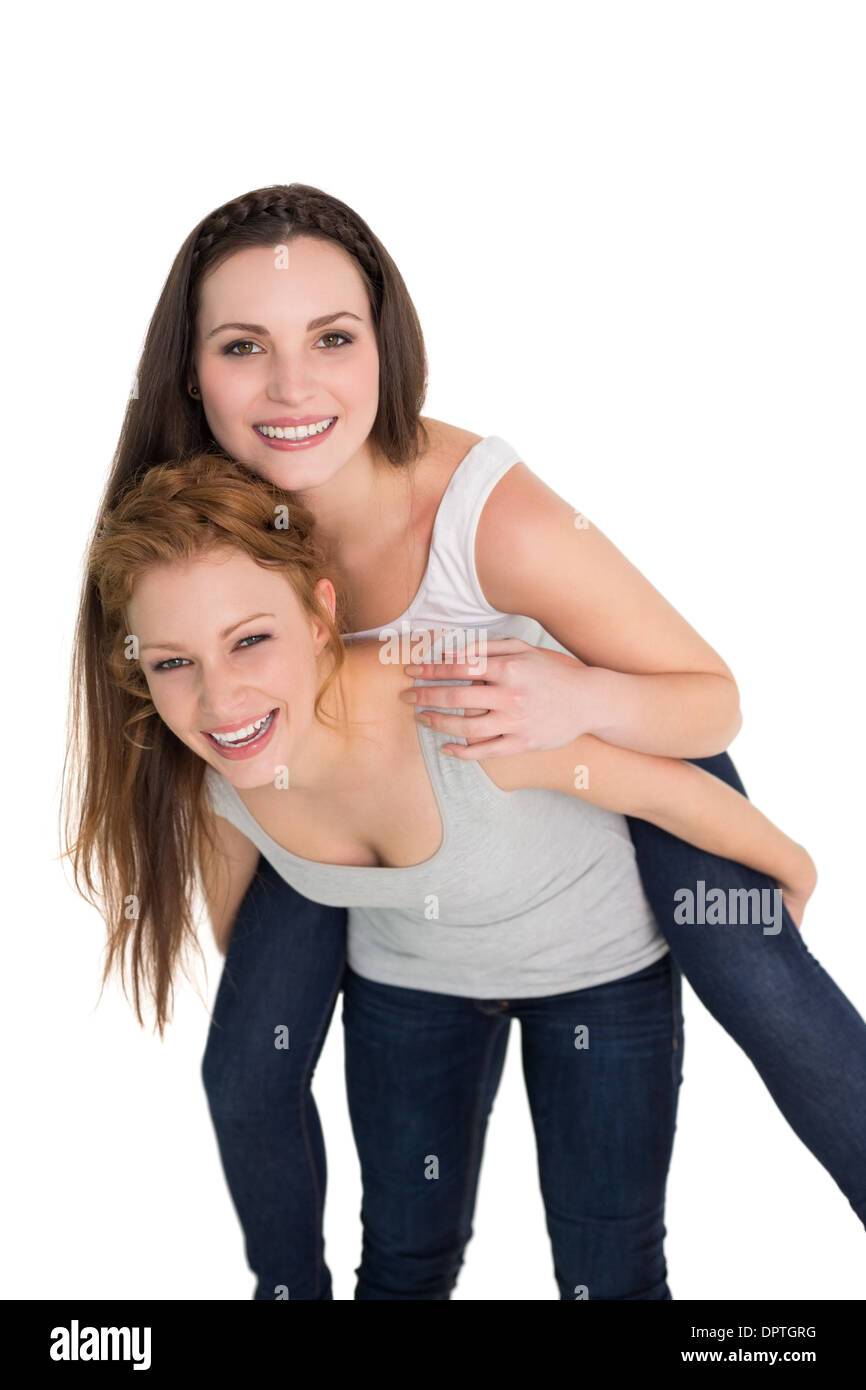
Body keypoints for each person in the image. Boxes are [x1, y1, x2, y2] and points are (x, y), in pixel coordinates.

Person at [68, 183, 866, 1299]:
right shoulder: (193, 530)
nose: (292, 387)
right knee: (251, 1062)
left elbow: (709, 702)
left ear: (385, 351)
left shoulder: (491, 515)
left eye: (333, 340)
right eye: (243, 346)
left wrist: (576, 692)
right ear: (190, 372)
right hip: (327, 787)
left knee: (749, 959)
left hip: (574, 748)